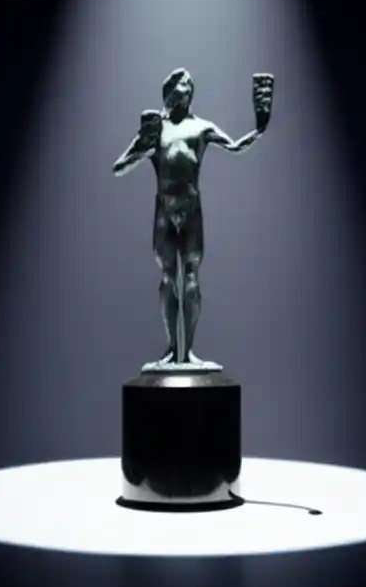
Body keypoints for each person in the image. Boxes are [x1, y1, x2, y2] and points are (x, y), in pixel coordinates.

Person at [113, 68, 275, 370]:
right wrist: (143, 145)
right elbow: (119, 166)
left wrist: (260, 128)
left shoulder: (201, 128)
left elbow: (236, 146)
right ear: (171, 92)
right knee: (166, 278)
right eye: (181, 85)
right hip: (164, 207)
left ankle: (187, 353)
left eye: (189, 85)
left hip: (190, 206)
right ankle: (174, 349)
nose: (186, 90)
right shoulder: (156, 129)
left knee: (190, 277)